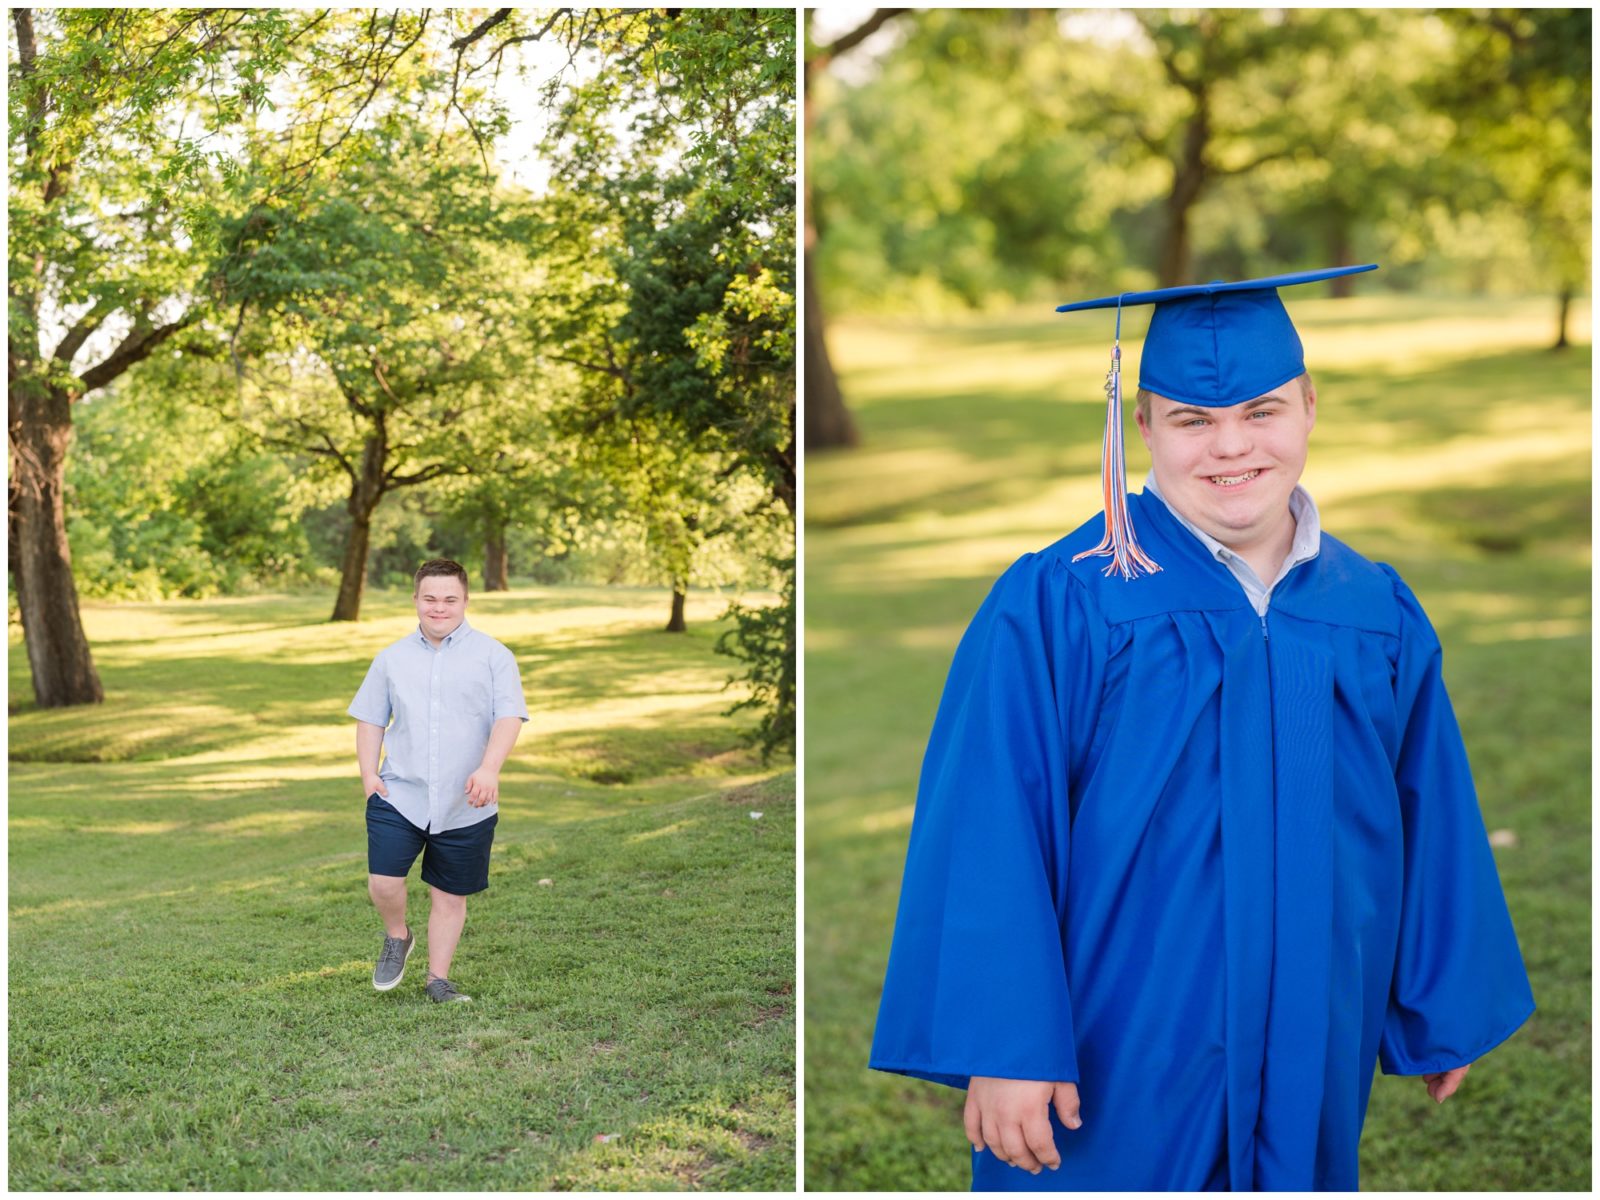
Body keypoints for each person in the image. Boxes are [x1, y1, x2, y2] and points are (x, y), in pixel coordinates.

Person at [869, 266, 1534, 1191]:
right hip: (1122, 1045)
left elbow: (1431, 803)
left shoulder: (1373, 607)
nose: (1231, 447)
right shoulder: (1065, 598)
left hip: (1310, 1027)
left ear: (1309, 408)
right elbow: (989, 820)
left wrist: (1442, 999)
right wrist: (1005, 1040)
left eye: (1262, 412)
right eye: (1192, 419)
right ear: (1141, 424)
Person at [348, 558, 529, 1003]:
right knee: (384, 882)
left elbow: (509, 716)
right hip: (399, 793)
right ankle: (397, 935)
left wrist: (490, 769)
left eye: (450, 599)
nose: (439, 607)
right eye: (430, 598)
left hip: (467, 799)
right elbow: (371, 719)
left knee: (449, 894)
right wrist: (369, 774)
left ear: (466, 601)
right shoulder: (391, 659)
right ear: (416, 600)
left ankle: (437, 981)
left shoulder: (494, 656)